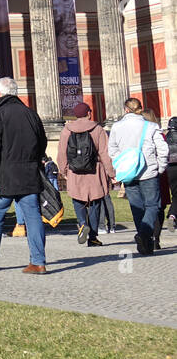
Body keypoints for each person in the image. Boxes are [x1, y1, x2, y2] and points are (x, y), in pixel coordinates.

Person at [0, 77, 49, 274]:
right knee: (33, 218)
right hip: (28, 175)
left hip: (4, 176)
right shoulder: (31, 114)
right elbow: (42, 142)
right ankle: (38, 261)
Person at [107, 97, 169, 255]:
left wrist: (119, 166)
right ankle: (143, 235)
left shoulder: (116, 127)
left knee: (137, 208)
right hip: (148, 171)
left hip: (128, 173)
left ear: (126, 109)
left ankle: (145, 245)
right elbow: (163, 149)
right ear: (140, 108)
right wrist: (160, 167)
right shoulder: (151, 126)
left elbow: (112, 150)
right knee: (152, 206)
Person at [58, 101, 113, 247]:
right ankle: (93, 237)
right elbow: (104, 153)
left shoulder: (66, 130)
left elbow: (62, 153)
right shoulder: (98, 129)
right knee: (95, 203)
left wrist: (63, 169)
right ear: (89, 113)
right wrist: (111, 172)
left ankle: (82, 224)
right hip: (95, 170)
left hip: (75, 171)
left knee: (77, 200)